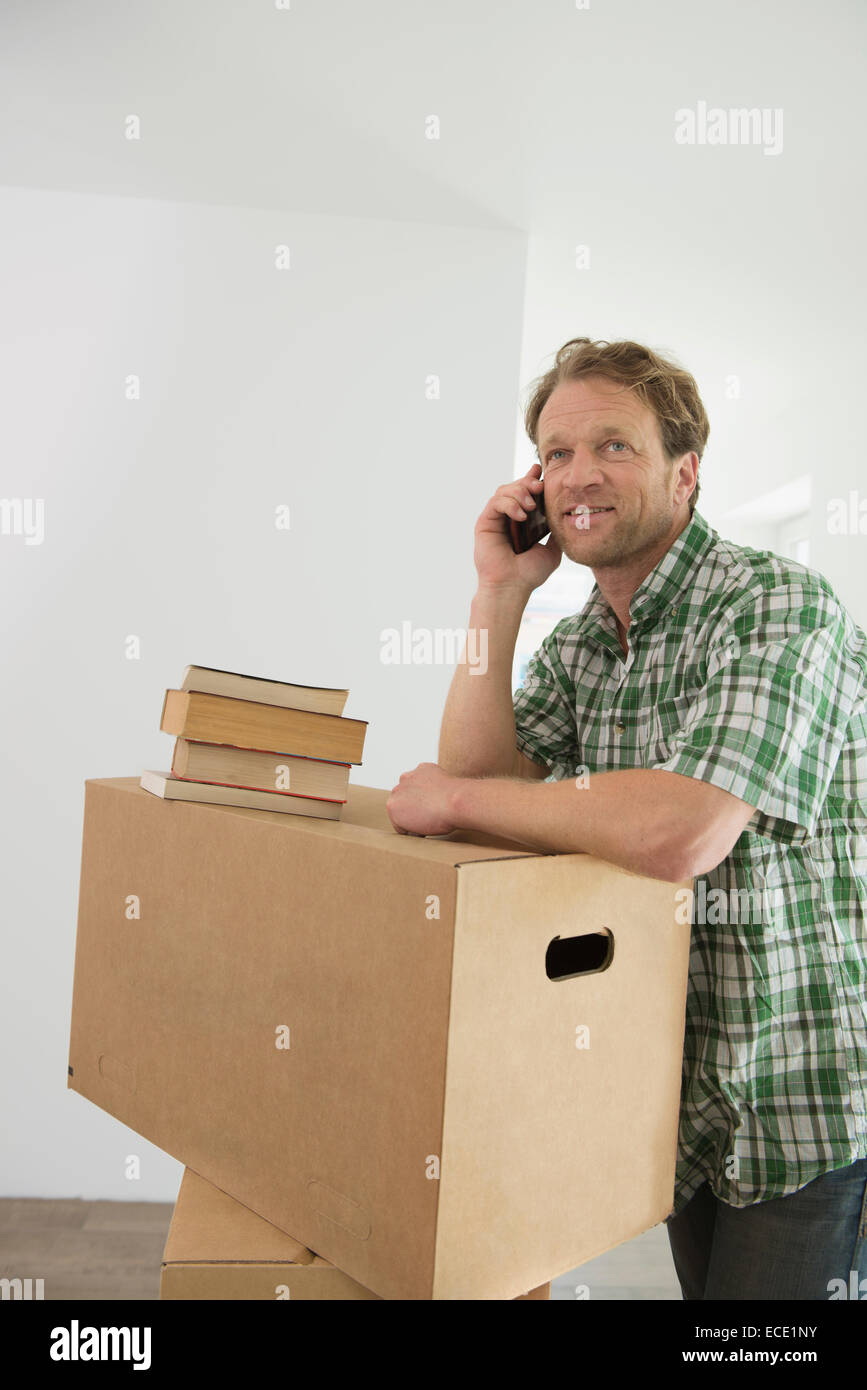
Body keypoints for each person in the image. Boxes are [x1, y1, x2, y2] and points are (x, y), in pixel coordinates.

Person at [385, 336, 867, 1301]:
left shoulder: (776, 606)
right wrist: (497, 593)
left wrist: (457, 799)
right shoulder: (580, 646)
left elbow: (679, 833)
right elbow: (481, 784)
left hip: (798, 1097)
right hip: (668, 1085)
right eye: (555, 453)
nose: (577, 474)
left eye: (613, 445)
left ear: (684, 473)